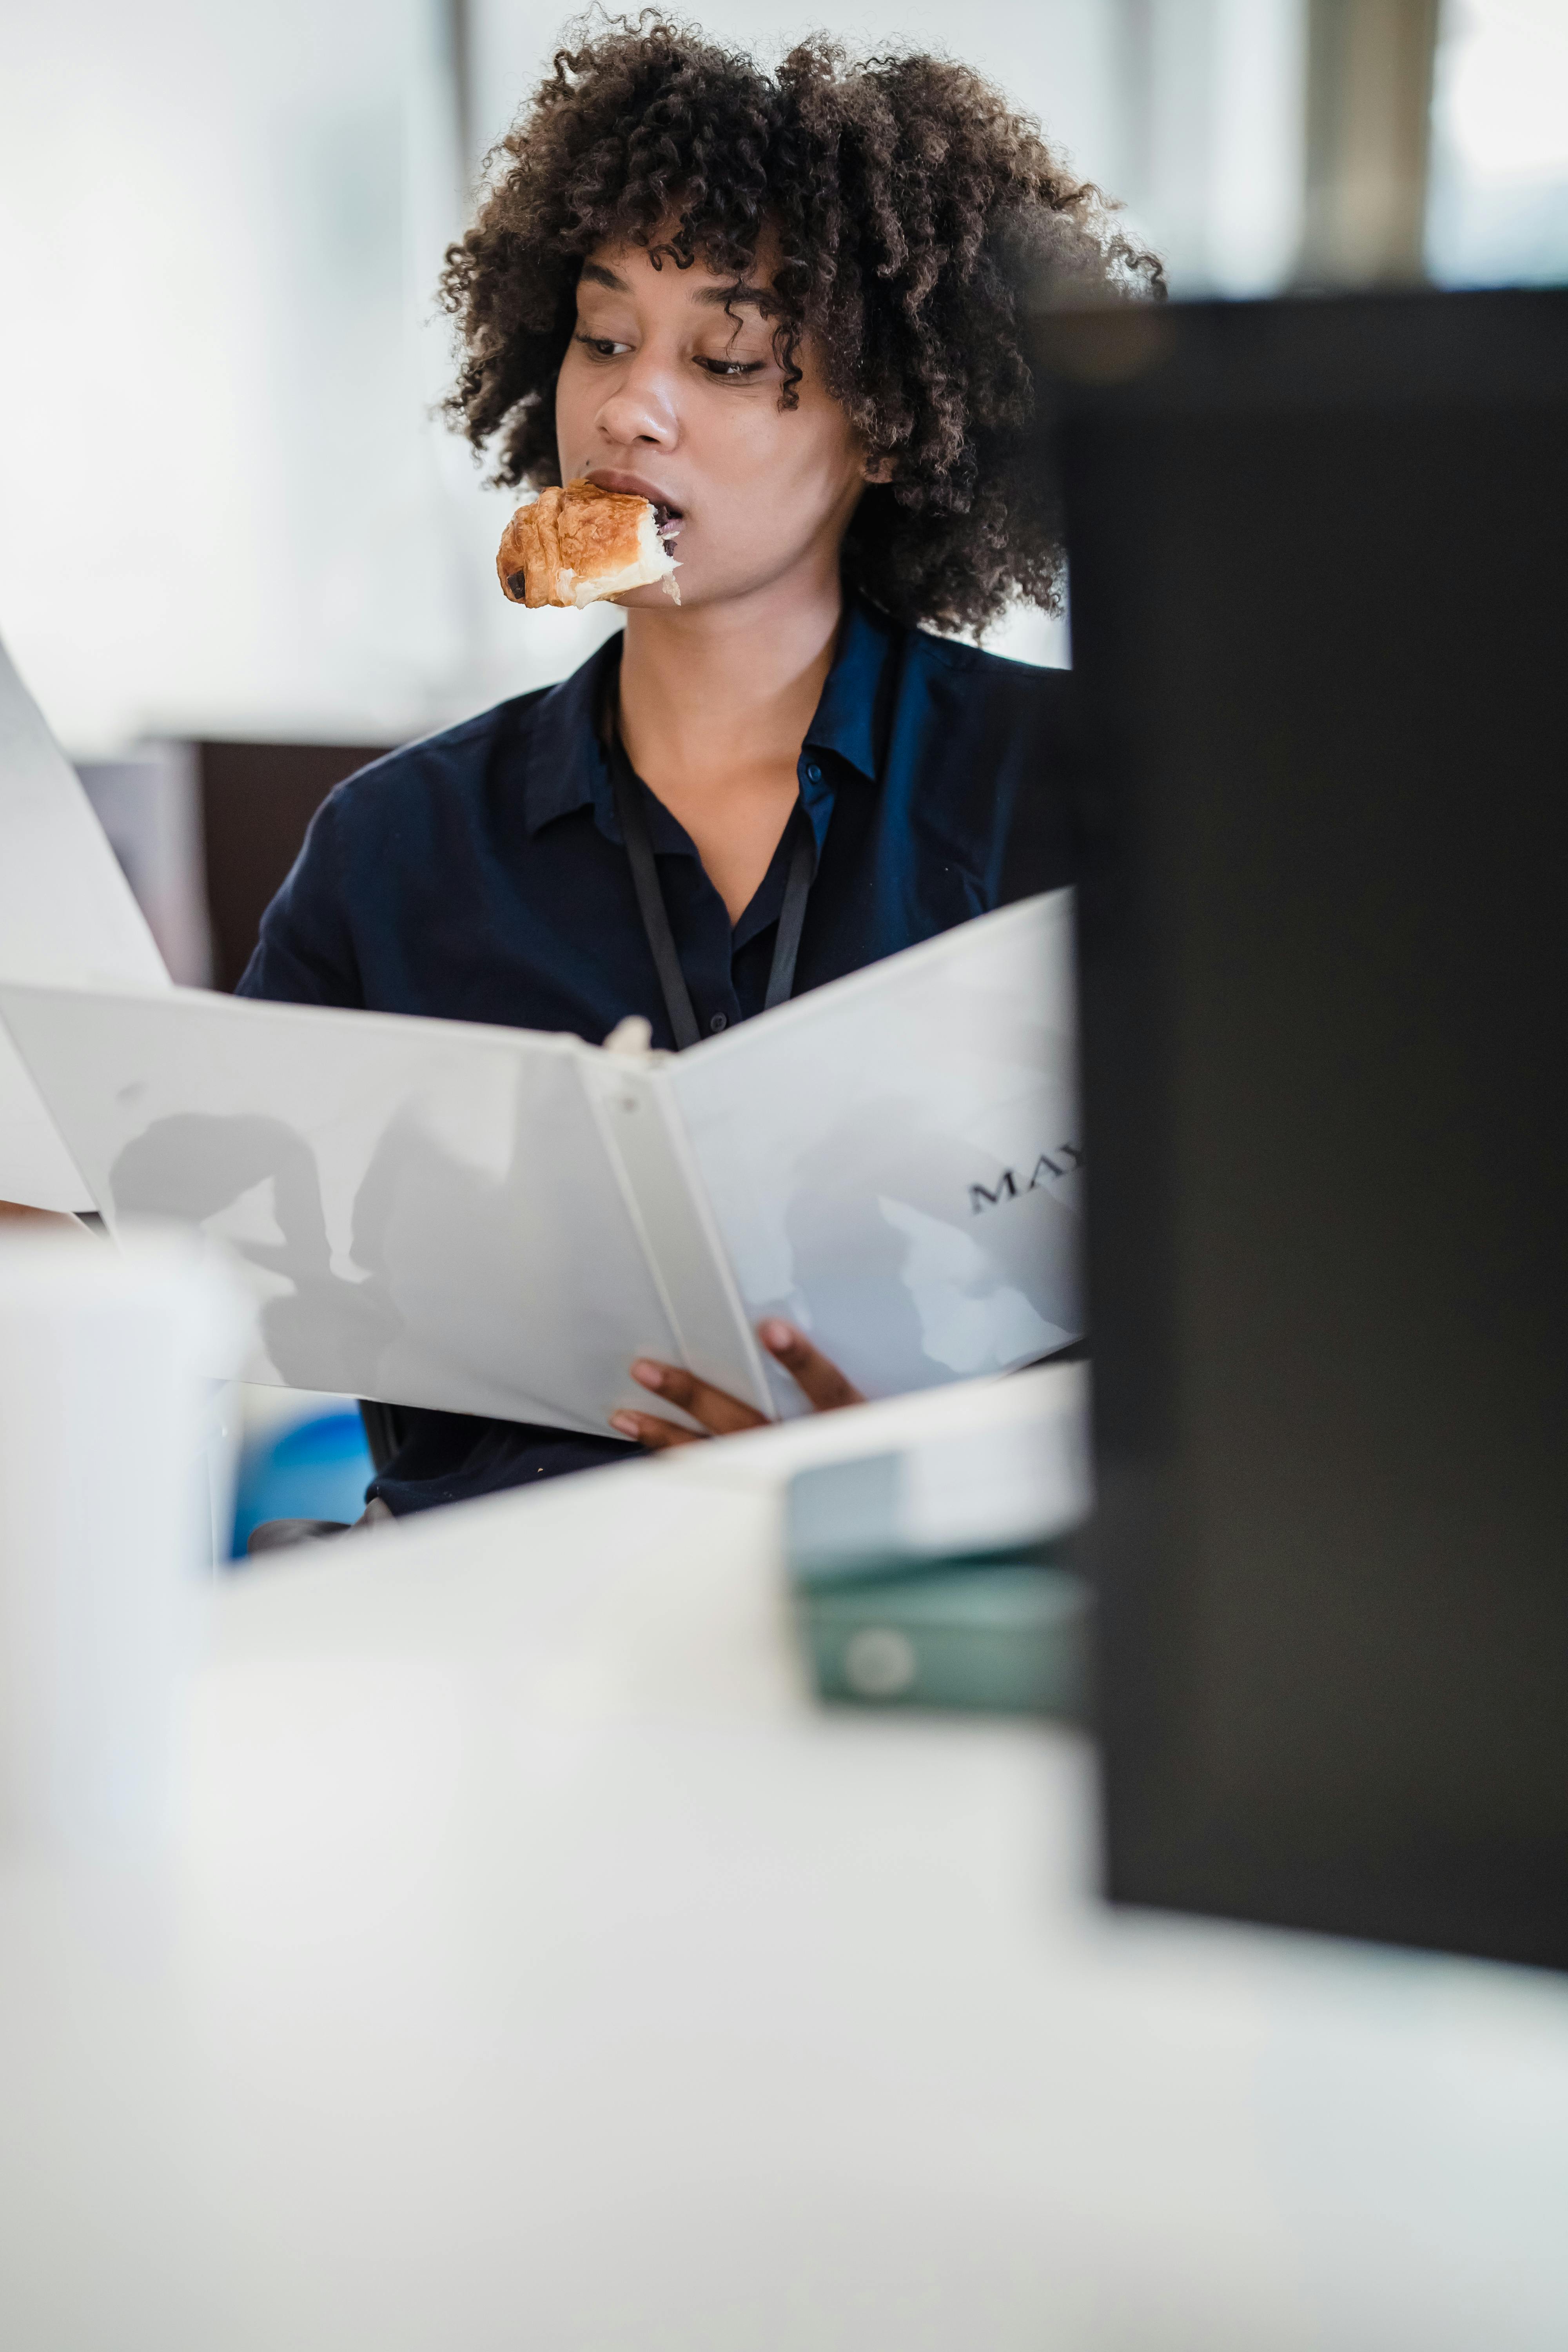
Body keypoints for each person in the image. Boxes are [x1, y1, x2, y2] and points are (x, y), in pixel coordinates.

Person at [237, 21, 1162, 1518]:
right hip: (481, 1626)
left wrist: (912, 1461)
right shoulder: (389, 848)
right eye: (603, 338)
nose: (629, 409)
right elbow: (222, 1262)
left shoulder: (1084, 790)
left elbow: (1231, 1297)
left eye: (727, 357)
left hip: (941, 1589)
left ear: (889, 421)